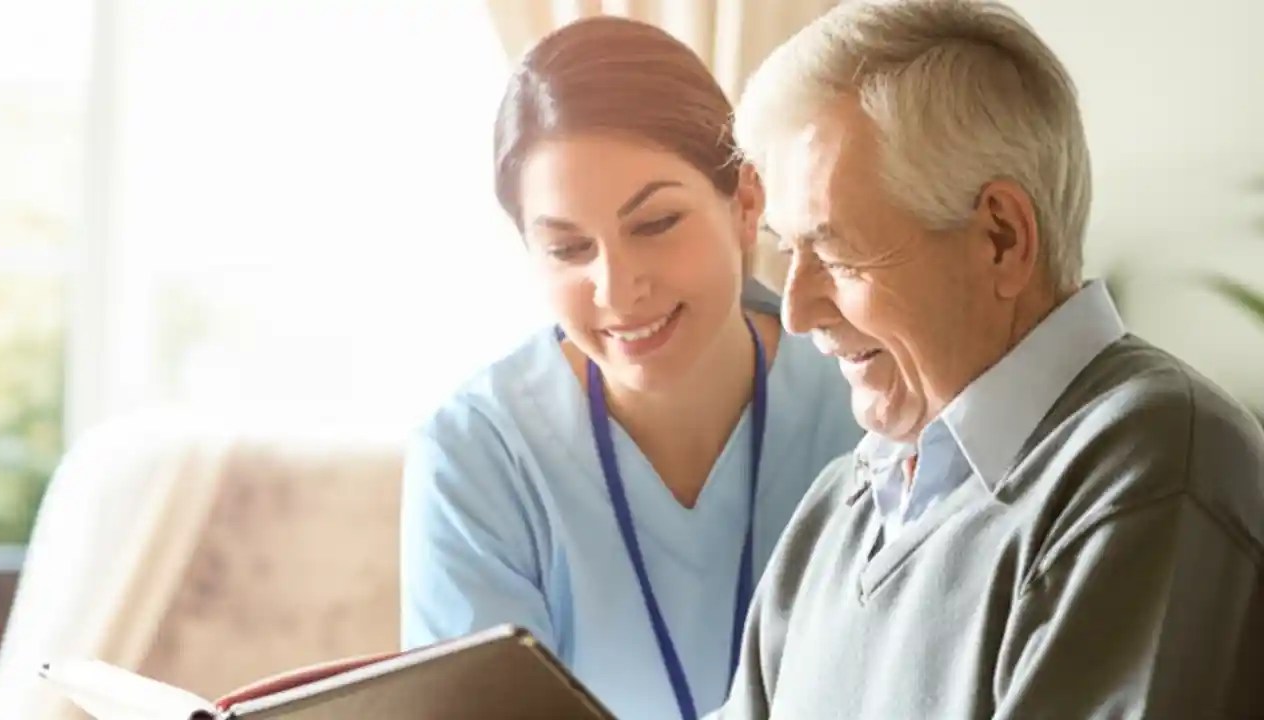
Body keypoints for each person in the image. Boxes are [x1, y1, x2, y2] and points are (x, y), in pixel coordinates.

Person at [714, 0, 1264, 718]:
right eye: (790, 252)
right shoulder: (835, 512)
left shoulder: (1153, 463)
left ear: (1001, 238)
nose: (796, 309)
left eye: (838, 254)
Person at [398, 16, 864, 720]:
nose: (617, 290)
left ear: (745, 203)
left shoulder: (869, 398)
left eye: (655, 224)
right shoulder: (476, 457)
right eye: (567, 249)